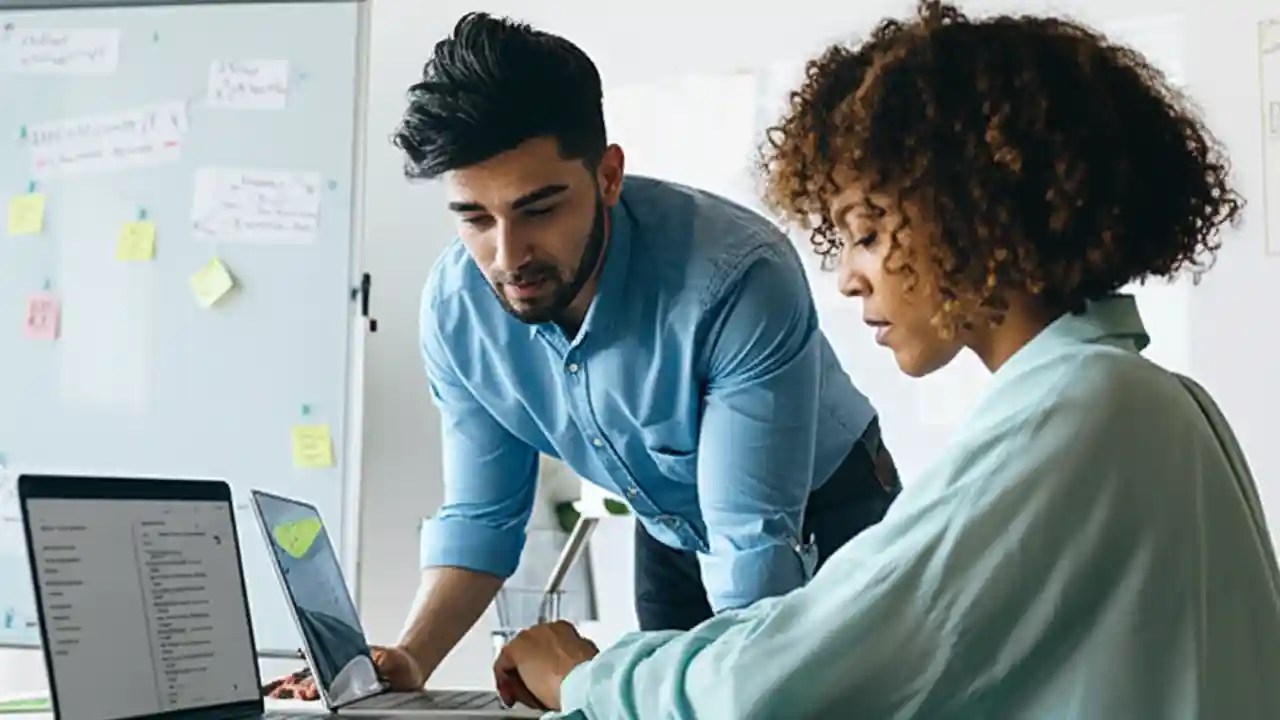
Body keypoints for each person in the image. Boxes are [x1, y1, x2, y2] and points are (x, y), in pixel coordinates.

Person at [491, 2, 1280, 716]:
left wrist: (587, 675)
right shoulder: (1145, 399)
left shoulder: (1077, 412)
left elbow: (780, 683)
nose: (847, 275)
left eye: (867, 233)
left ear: (977, 213)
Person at [267, 10, 900, 700]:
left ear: (608, 176)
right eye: (475, 218)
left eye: (538, 209)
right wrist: (413, 657)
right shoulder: (458, 308)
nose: (506, 258)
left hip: (826, 509)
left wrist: (645, 687)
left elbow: (752, 547)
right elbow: (482, 516)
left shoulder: (736, 278)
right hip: (668, 526)